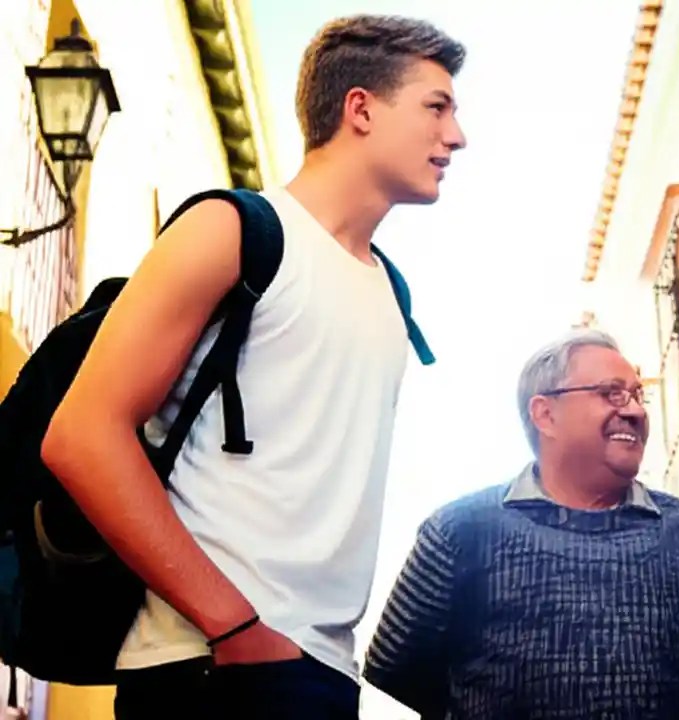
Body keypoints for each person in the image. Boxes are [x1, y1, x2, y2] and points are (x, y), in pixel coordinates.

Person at [39, 14, 466, 719]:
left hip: (322, 669)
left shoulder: (391, 291)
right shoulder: (232, 231)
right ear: (360, 108)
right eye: (437, 106)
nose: (456, 135)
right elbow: (81, 434)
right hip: (209, 664)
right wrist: (234, 626)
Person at [364, 329, 679, 719]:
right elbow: (392, 664)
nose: (635, 411)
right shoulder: (461, 530)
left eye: (637, 395)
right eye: (611, 393)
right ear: (545, 414)